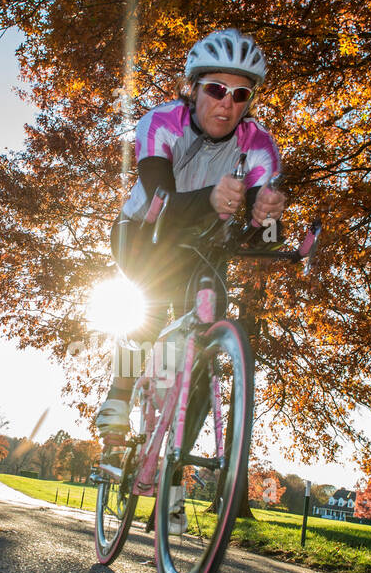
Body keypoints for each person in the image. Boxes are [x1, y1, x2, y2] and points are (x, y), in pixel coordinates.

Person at [95, 28, 287, 440]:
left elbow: (265, 239)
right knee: (152, 296)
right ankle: (119, 395)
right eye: (217, 89)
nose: (227, 104)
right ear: (193, 89)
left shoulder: (259, 147)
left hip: (204, 249)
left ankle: (176, 465)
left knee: (207, 333)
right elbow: (160, 202)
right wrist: (211, 199)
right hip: (143, 232)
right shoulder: (161, 123)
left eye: (241, 95)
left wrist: (266, 221)